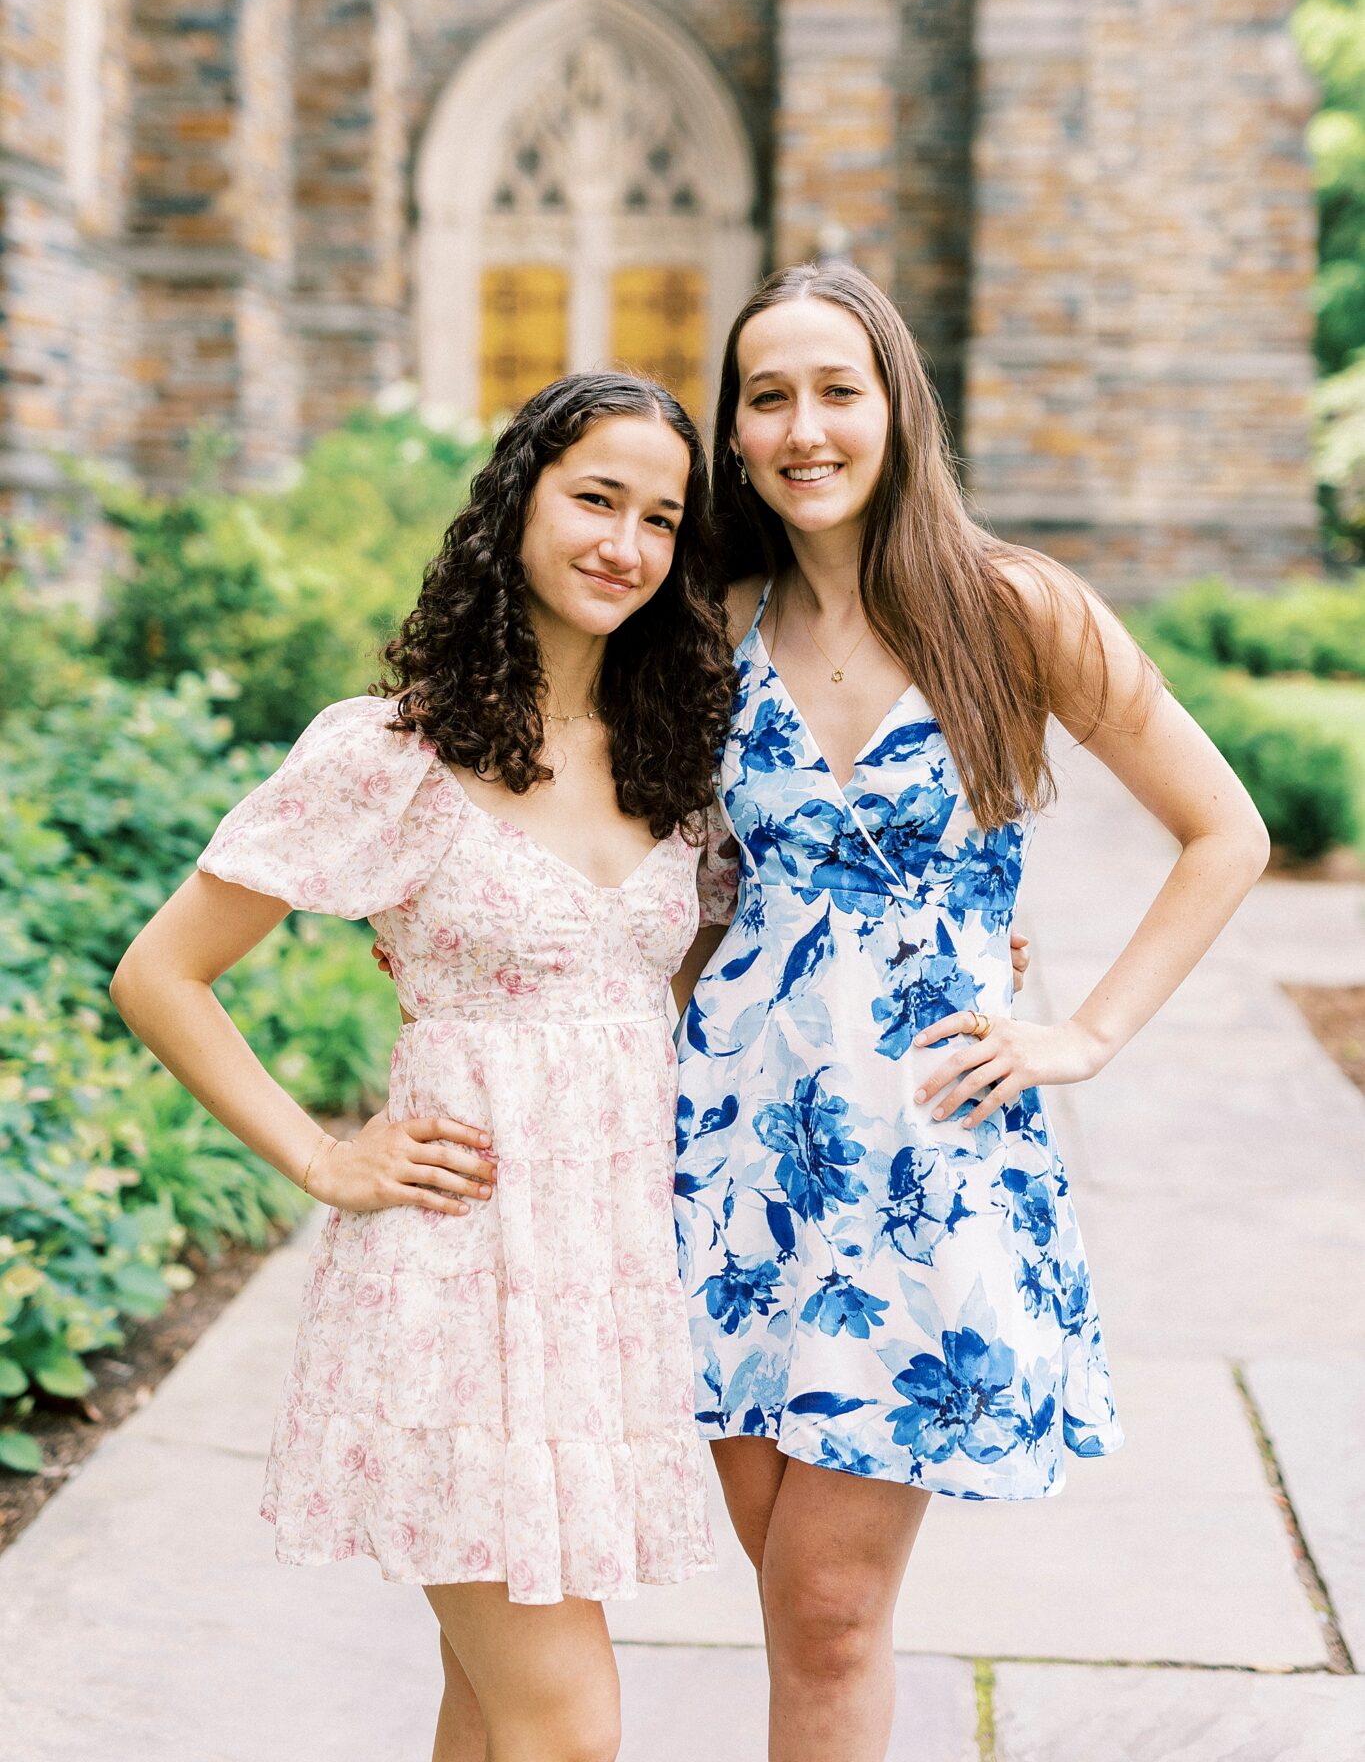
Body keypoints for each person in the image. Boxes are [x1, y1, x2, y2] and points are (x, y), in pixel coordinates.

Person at [667, 262, 1272, 1762]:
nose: (803, 427)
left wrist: (1082, 1033)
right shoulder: (703, 622)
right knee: (787, 1594)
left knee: (825, 1608)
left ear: (895, 410)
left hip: (928, 1161)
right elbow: (656, 870)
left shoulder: (1011, 608)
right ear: (732, 434)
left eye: (834, 390)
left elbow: (1224, 831)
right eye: (767, 397)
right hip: (731, 1158)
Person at [110, 372, 739, 1762]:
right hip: (453, 1291)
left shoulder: (675, 756)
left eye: (658, 518)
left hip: (604, 1293)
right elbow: (160, 975)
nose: (623, 544)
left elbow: (663, 999)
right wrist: (322, 1157)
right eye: (592, 498)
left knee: (493, 1711)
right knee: (566, 1729)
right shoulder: (390, 753)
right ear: (517, 501)